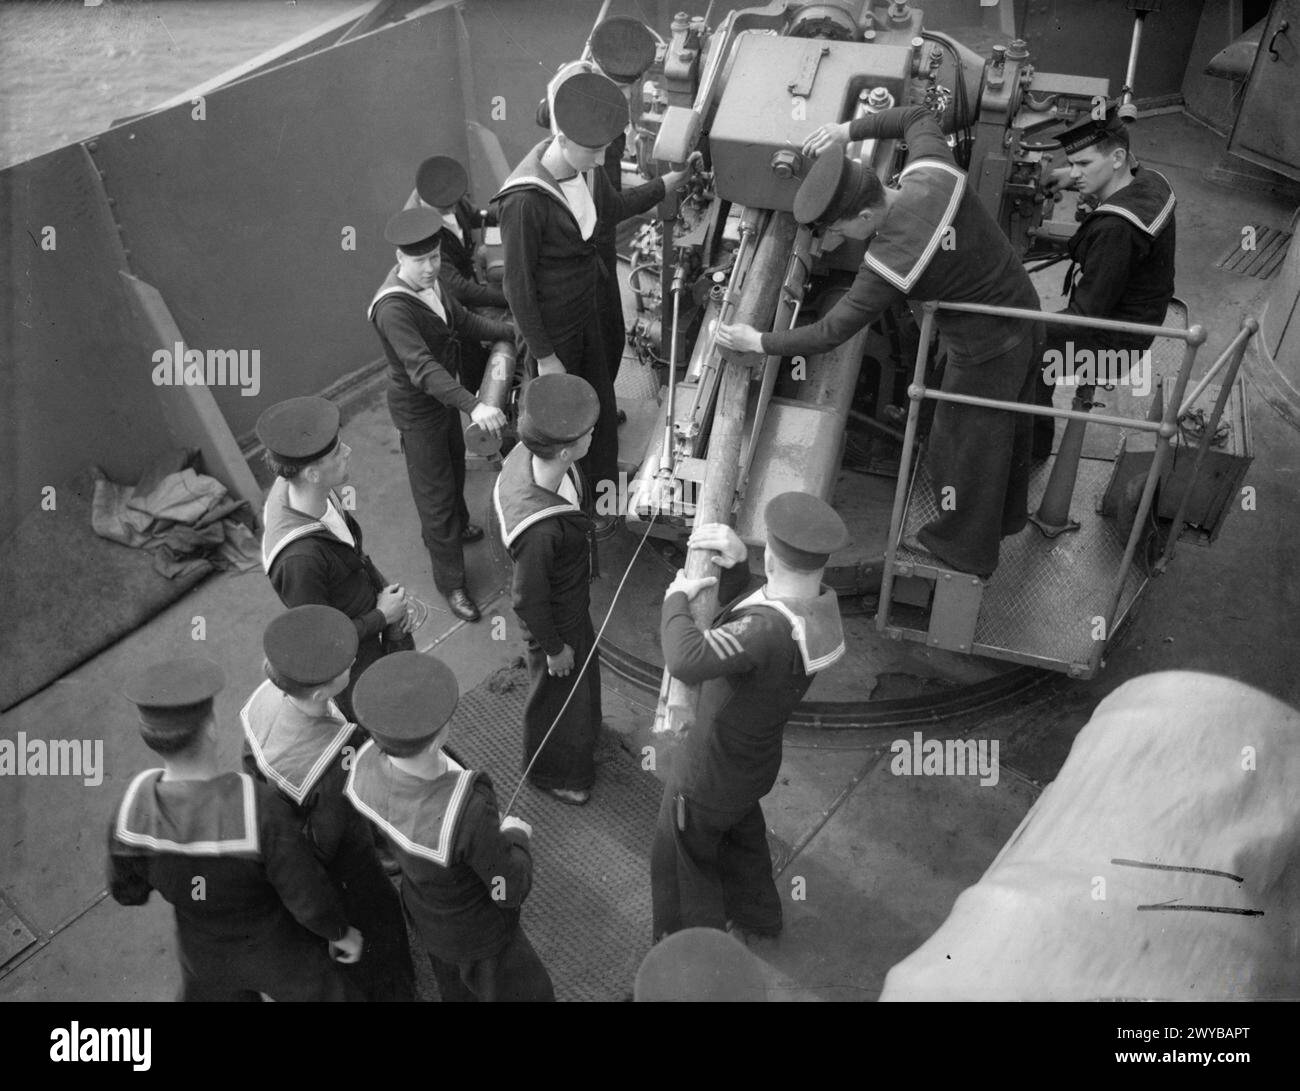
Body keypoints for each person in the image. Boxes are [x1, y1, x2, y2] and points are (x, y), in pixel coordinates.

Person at [718, 105, 1044, 579]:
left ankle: (964, 551)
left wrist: (759, 340)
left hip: (986, 350)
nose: (835, 238)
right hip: (1021, 310)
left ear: (867, 213)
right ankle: (1009, 515)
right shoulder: (932, 171)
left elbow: (831, 331)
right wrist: (845, 131)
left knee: (964, 446)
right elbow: (916, 116)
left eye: (840, 228)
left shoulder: (894, 255)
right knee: (1004, 429)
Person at [494, 68, 698, 535]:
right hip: (555, 337)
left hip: (588, 312)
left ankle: (604, 504)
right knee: (563, 426)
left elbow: (612, 210)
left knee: (600, 411)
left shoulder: (584, 170)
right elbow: (518, 289)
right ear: (562, 139)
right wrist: (545, 358)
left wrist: (667, 184)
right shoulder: (525, 201)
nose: (604, 156)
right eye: (594, 149)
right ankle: (574, 509)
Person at [650, 492, 848, 942]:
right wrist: (740, 568)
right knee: (741, 841)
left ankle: (689, 958)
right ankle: (758, 917)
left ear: (771, 559)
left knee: (681, 863)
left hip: (707, 776)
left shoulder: (765, 632)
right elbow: (755, 619)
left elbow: (687, 657)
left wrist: (674, 599)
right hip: (750, 768)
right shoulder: (819, 609)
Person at [107, 657, 362, 1001]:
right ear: (210, 728)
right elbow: (306, 896)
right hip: (277, 947)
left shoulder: (130, 812)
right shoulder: (257, 807)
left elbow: (127, 892)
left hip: (204, 953)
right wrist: (339, 932)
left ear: (150, 739)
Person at [343, 652, 555, 1002]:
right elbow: (508, 890)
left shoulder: (362, 767)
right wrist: (516, 835)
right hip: (481, 937)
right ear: (440, 733)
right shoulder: (467, 812)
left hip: (428, 916)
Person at [241, 604, 415, 1001]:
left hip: (281, 832)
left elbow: (251, 764)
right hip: (346, 868)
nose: (350, 660)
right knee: (380, 927)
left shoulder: (265, 696)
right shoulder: (338, 753)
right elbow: (330, 835)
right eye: (344, 664)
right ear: (322, 692)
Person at [368, 207, 515, 622]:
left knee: (453, 468)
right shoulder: (393, 308)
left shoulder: (430, 286)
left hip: (443, 401)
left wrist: (509, 332)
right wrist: (475, 404)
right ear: (400, 259)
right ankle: (451, 581)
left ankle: (459, 524)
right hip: (420, 412)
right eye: (421, 260)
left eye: (435, 257)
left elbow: (463, 320)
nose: (432, 267)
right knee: (434, 497)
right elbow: (422, 369)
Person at [1031, 110, 1177, 459]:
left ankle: (1030, 449)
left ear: (1116, 158)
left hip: (1113, 346)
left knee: (1024, 351)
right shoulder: (1151, 182)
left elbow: (1085, 317)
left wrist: (1020, 325)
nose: (1076, 172)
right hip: (1140, 316)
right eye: (1073, 163)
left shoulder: (1116, 231)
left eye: (1083, 164)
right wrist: (1074, 175)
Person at [258, 395, 413, 722]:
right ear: (312, 473)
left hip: (377, 623)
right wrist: (381, 617)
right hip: (357, 668)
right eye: (337, 452)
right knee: (392, 725)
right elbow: (322, 643)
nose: (348, 452)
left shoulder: (317, 490)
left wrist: (389, 601)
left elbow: (354, 555)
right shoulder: (298, 560)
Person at [492, 373, 601, 805]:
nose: (592, 433)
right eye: (586, 433)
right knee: (557, 697)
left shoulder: (529, 453)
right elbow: (527, 599)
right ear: (564, 449)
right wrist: (554, 648)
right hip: (556, 620)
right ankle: (553, 772)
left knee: (579, 688)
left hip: (571, 604)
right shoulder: (539, 533)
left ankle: (583, 740)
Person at [535, 17, 660, 389]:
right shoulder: (611, 125)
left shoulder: (573, 81)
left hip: (567, 224)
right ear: (636, 82)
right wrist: (662, 187)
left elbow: (542, 114)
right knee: (608, 331)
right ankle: (599, 399)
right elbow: (610, 208)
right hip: (591, 238)